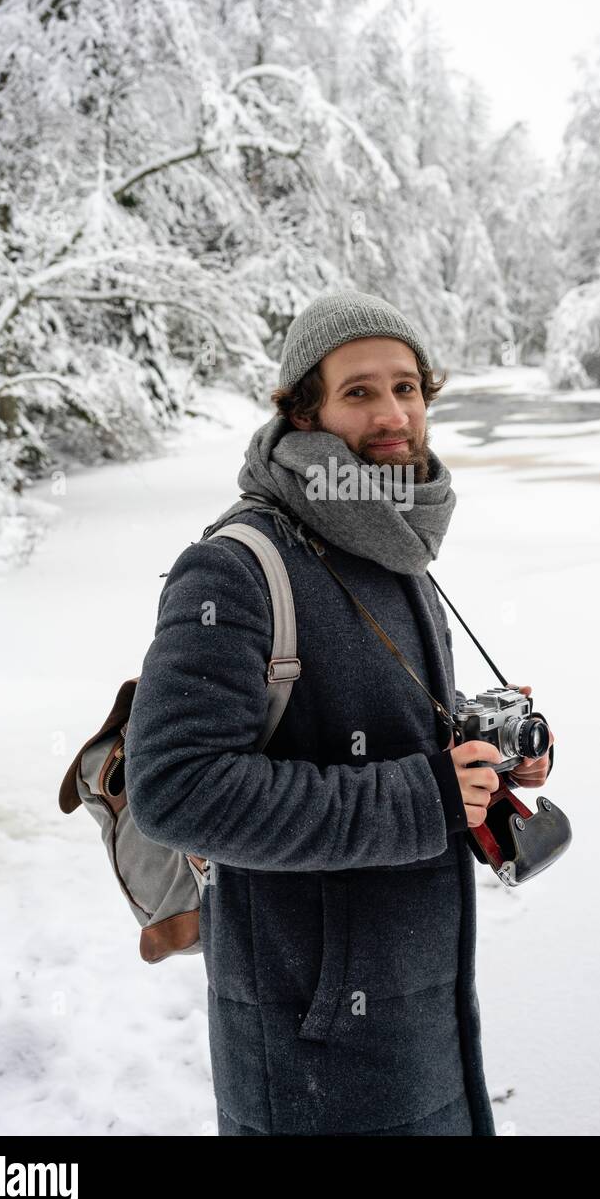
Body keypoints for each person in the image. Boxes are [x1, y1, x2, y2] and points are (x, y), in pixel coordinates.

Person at [124, 286, 553, 1136]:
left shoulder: (389, 542)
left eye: (407, 387)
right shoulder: (235, 568)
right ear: (306, 414)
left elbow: (362, 715)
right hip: (310, 1044)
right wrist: (423, 799)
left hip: (419, 1011)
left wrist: (475, 745)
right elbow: (174, 789)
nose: (392, 412)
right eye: (358, 391)